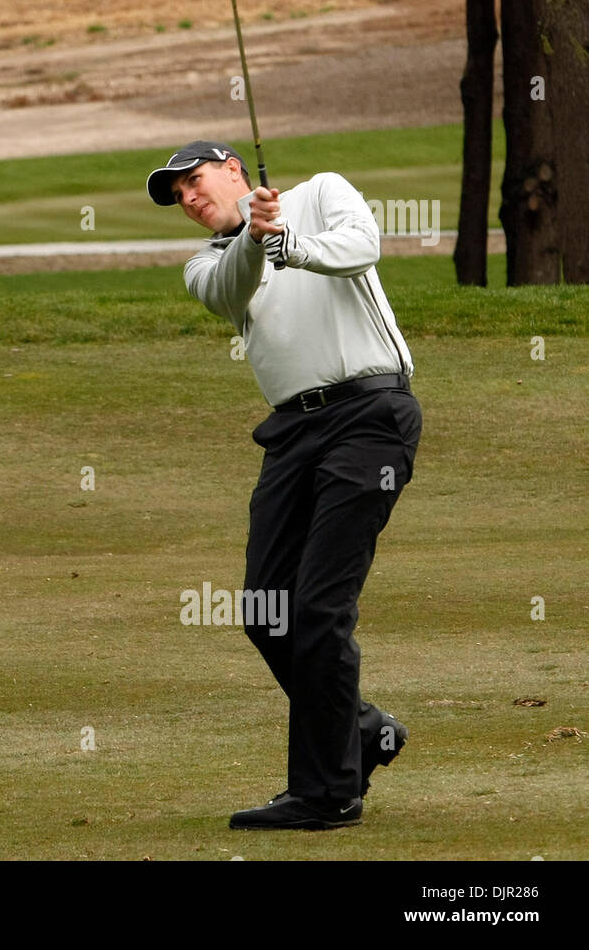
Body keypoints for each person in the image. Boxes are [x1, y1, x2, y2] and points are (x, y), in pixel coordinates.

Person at [147, 140, 422, 830]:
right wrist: (254, 235)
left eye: (194, 179)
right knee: (268, 608)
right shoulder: (206, 264)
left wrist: (287, 235)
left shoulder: (322, 191)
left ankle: (327, 793)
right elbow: (236, 282)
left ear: (234, 168)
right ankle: (359, 730)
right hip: (292, 436)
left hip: (370, 416)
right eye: (176, 193)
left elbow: (362, 247)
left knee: (321, 605)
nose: (186, 196)